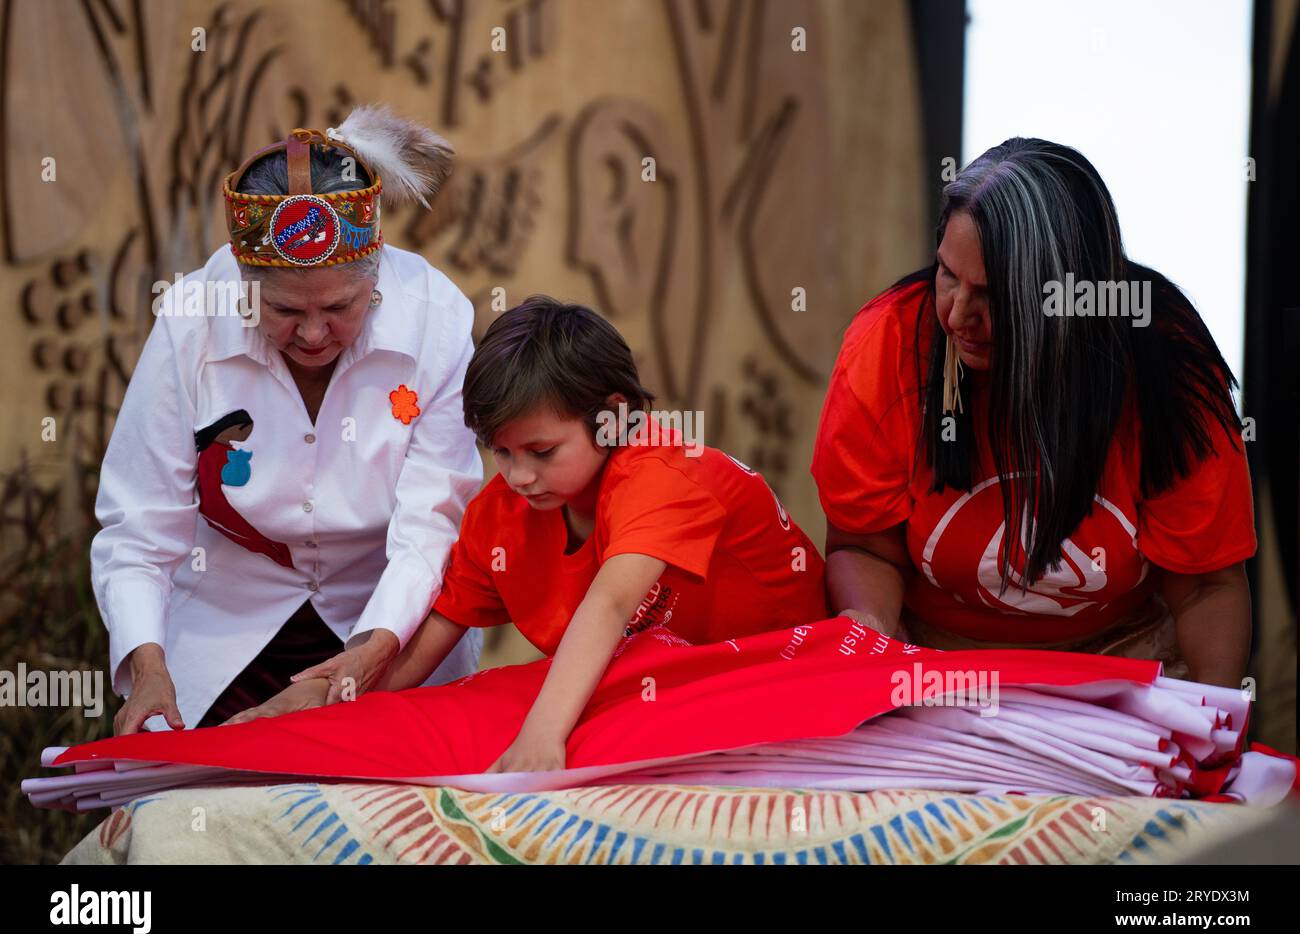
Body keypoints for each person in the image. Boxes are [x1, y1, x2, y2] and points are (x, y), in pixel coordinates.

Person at [231, 296, 830, 771]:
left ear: (614, 416)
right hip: (656, 696)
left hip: (789, 682)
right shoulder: (500, 514)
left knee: (527, 727)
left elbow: (612, 601)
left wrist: (542, 738)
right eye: (501, 452)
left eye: (542, 451)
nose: (518, 476)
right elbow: (428, 639)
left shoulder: (665, 471)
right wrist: (327, 698)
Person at [93, 105, 484, 733]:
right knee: (191, 804)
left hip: (387, 624)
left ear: (375, 272)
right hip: (218, 636)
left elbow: (433, 522)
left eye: (338, 307)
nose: (311, 333)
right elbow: (141, 524)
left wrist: (374, 651)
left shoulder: (435, 317)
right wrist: (147, 666)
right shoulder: (192, 317)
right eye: (281, 310)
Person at [813, 137, 1255, 687]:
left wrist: (1209, 729)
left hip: (1124, 660)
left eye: (996, 296)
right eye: (948, 275)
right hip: (937, 662)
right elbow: (862, 547)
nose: (956, 315)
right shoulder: (890, 343)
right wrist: (873, 642)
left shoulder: (1167, 362)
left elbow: (1207, 587)